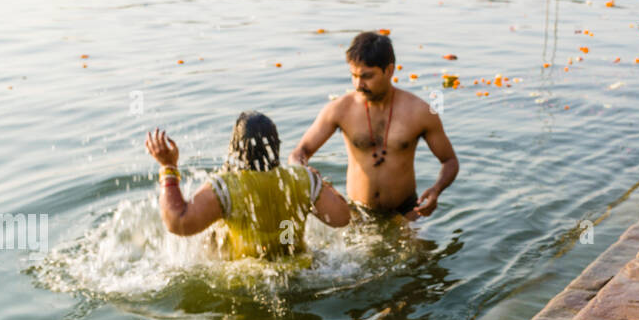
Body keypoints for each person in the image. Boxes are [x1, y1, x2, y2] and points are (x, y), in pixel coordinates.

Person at [290, 31, 458, 221]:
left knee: (422, 250)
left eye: (366, 76)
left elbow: (449, 161)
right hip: (357, 213)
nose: (358, 84)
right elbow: (299, 153)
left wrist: (436, 190)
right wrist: (302, 170)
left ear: (389, 70)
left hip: (407, 212)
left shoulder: (420, 112)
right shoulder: (340, 109)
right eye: (353, 75)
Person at [144, 111, 351, 259]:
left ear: (236, 147)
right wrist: (316, 179)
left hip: (246, 283)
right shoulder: (300, 179)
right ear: (276, 144)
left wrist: (168, 167)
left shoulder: (226, 186)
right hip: (299, 271)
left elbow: (179, 222)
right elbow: (342, 218)